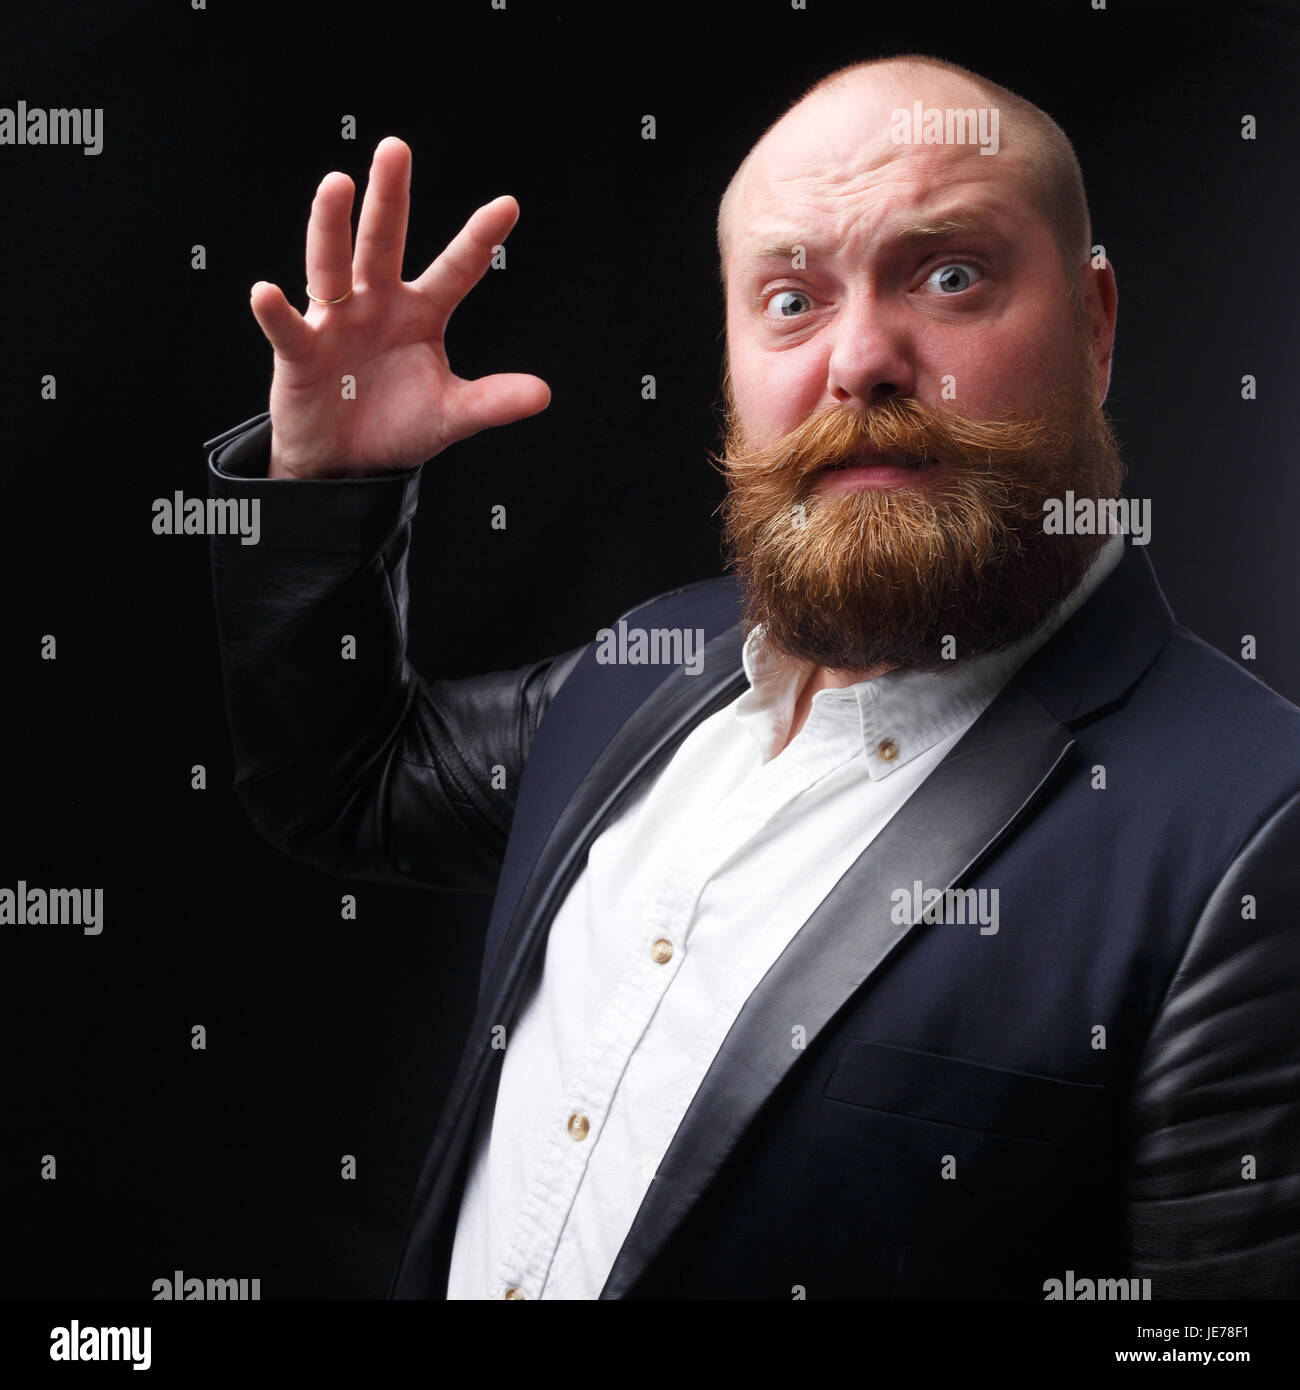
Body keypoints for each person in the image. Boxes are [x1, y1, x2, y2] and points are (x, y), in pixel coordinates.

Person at [205, 53, 1300, 1299]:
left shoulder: (1256, 827)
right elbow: (341, 778)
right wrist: (329, 496)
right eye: (790, 298)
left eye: (949, 275)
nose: (862, 361)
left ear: (1095, 324)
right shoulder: (650, 666)